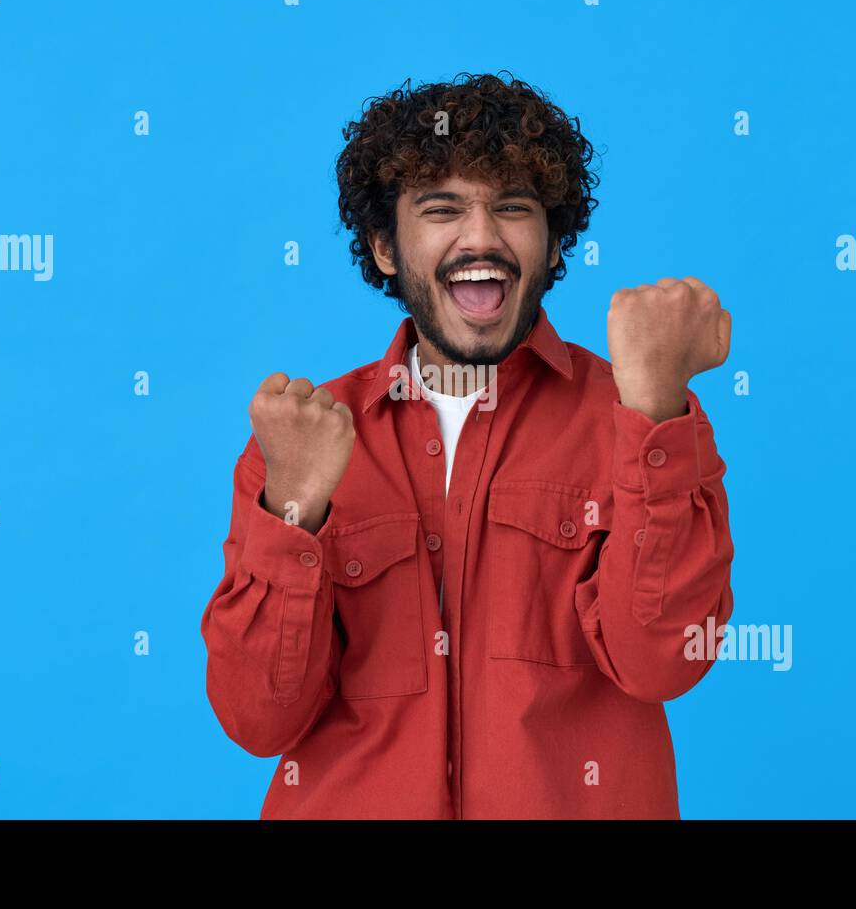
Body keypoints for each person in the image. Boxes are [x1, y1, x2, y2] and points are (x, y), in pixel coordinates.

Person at [200, 71, 734, 818]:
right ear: (386, 247)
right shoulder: (302, 443)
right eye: (442, 209)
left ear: (552, 248)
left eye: (513, 208)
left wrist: (653, 409)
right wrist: (294, 508)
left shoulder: (639, 414)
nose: (481, 237)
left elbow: (664, 661)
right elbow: (258, 719)